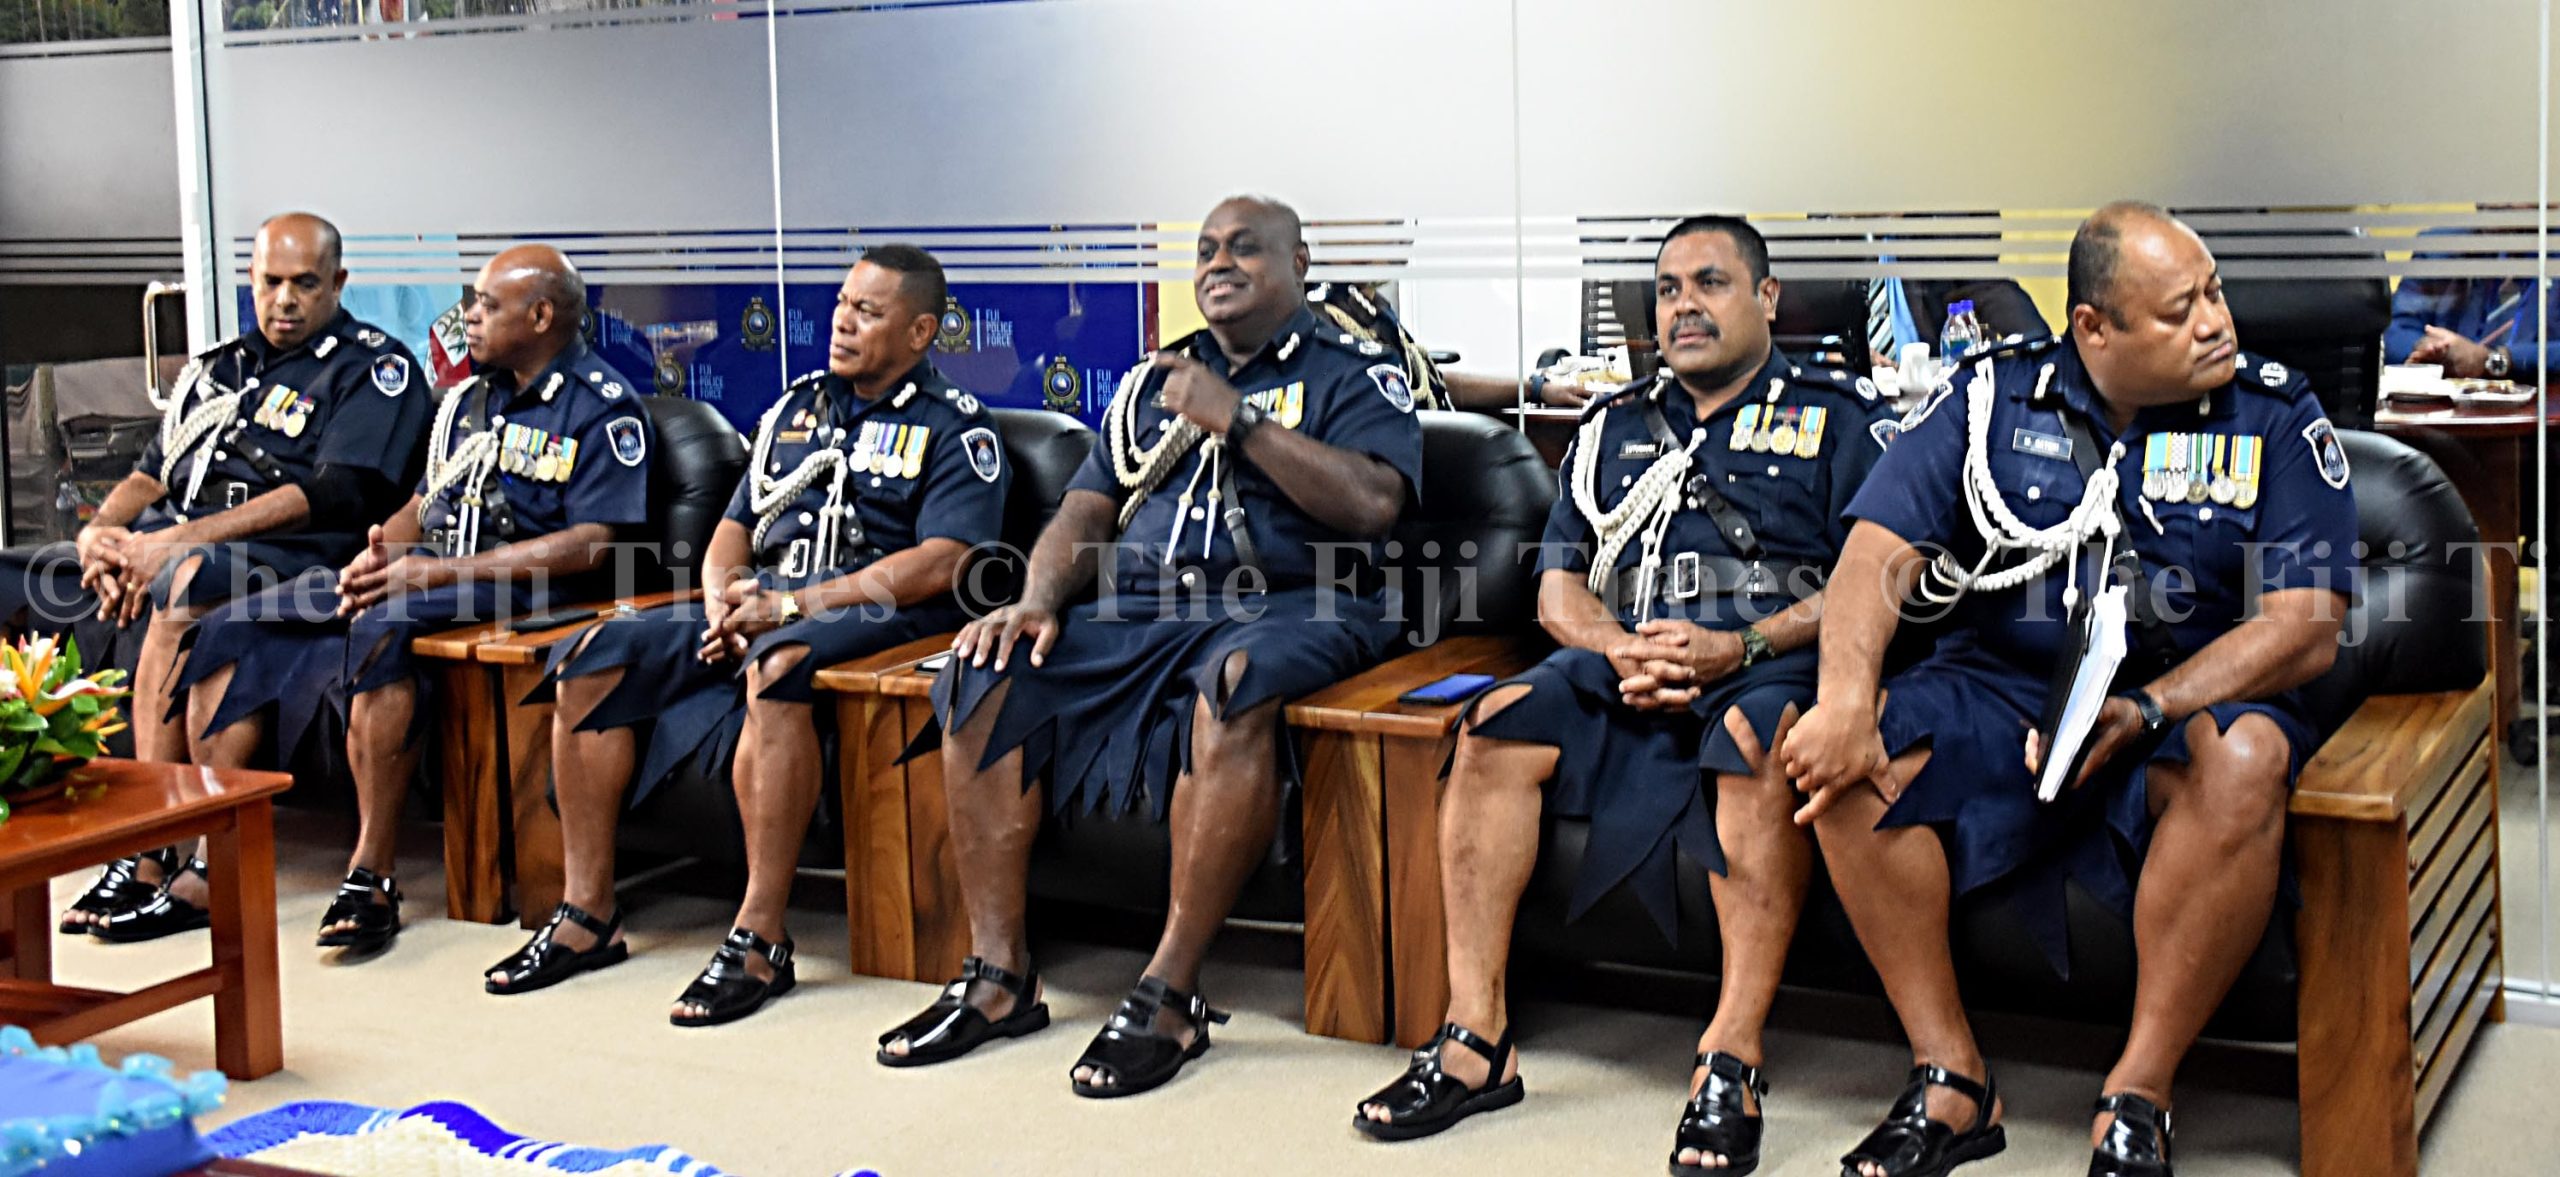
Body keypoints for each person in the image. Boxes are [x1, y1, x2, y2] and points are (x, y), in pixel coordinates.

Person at [1784, 202, 2355, 1177]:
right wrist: (1842, 699)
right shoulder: (1991, 397)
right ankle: (1951, 1076)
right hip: (2007, 685)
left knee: (2249, 754)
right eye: (2180, 310)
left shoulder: (2271, 411)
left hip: (2184, 697)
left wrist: (2151, 707)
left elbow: (2306, 623)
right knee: (1844, 761)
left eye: (2213, 292)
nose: (2216, 321)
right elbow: (1873, 553)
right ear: (2095, 328)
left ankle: (2137, 1090)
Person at [1348, 215, 1890, 1171]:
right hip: (1626, 658)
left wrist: (1742, 642)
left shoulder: (1839, 418)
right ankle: (1477, 1038)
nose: (1684, 306)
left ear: (1765, 298)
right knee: (1490, 726)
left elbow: (1873, 581)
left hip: (1765, 662)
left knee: (1762, 744)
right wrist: (1614, 644)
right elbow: (1559, 584)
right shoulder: (1611, 425)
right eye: (1670, 288)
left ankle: (1731, 1056)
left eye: (1711, 283)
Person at [873, 195, 1422, 1096]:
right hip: (1144, 613)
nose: (1220, 263)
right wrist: (1037, 600)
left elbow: (1371, 506)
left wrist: (1238, 420)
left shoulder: (1353, 373)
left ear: (1301, 263)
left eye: (1247, 248)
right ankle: (999, 973)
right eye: (1206, 249)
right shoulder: (1151, 383)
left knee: (1237, 678)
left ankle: (1170, 989)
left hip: (1297, 607)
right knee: (981, 671)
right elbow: (1088, 507)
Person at [484, 246, 1008, 1024]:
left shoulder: (958, 429)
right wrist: (722, 597)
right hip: (761, 605)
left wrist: (789, 611)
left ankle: (760, 936)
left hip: (870, 612)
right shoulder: (795, 410)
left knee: (779, 660)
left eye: (868, 311)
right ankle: (589, 912)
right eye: (840, 302)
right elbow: (733, 528)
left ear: (922, 330)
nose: (841, 320)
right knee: (590, 655)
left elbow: (943, 562)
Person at [178, 244, 657, 957]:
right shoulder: (468, 399)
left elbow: (593, 544)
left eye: (487, 306)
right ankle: (206, 858)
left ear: (542, 315)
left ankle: (371, 872)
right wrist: (378, 553)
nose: (470, 317)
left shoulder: (601, 408)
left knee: (383, 621)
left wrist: (428, 577)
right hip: (432, 574)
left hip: (523, 594)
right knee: (232, 624)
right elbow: (425, 499)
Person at [34, 212, 432, 942]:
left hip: (305, 553)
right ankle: (55, 814)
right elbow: (151, 473)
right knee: (27, 579)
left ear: (338, 284)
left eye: (304, 284)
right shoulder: (220, 367)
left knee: (182, 580)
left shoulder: (372, 366)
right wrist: (102, 535)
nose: (284, 300)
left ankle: (153, 844)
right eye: (270, 283)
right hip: (197, 544)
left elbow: (334, 495)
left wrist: (170, 547)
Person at [1308, 280, 1590, 410]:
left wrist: (1535, 387)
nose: (1399, 233)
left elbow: (1429, 384)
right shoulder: (1320, 316)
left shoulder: (1370, 306)